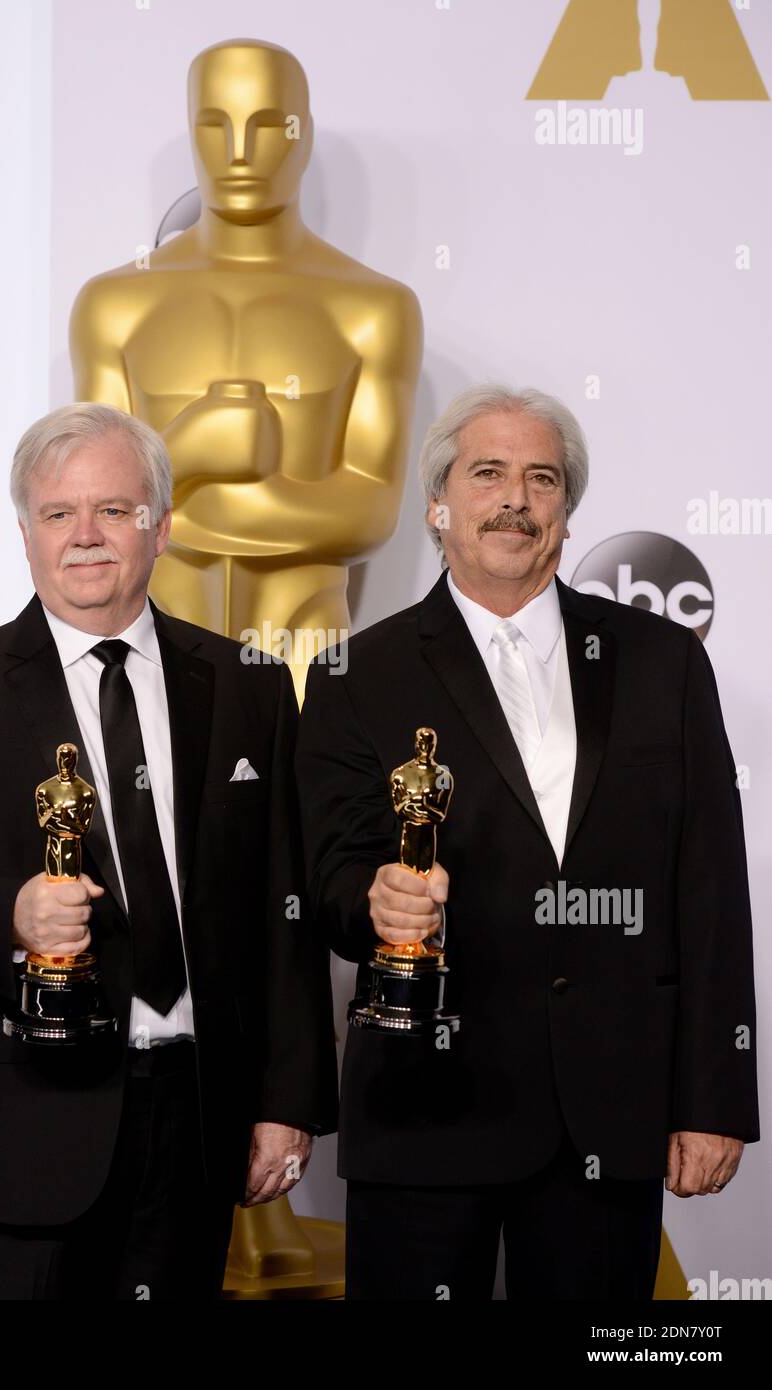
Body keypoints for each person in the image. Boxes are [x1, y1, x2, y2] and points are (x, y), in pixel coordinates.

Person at [0, 402, 337, 1300]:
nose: (85, 537)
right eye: (57, 514)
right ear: (26, 533)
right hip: (13, 1124)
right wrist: (10, 911)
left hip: (195, 1124)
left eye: (114, 510)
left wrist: (288, 1101)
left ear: (160, 528)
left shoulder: (249, 686)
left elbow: (287, 907)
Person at [295, 384, 759, 1300]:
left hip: (609, 1110)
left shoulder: (663, 662)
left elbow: (709, 891)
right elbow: (328, 874)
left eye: (541, 478)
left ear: (567, 510)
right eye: (489, 474)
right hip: (425, 1102)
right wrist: (373, 901)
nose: (516, 499)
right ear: (439, 504)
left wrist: (713, 1100)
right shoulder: (358, 672)